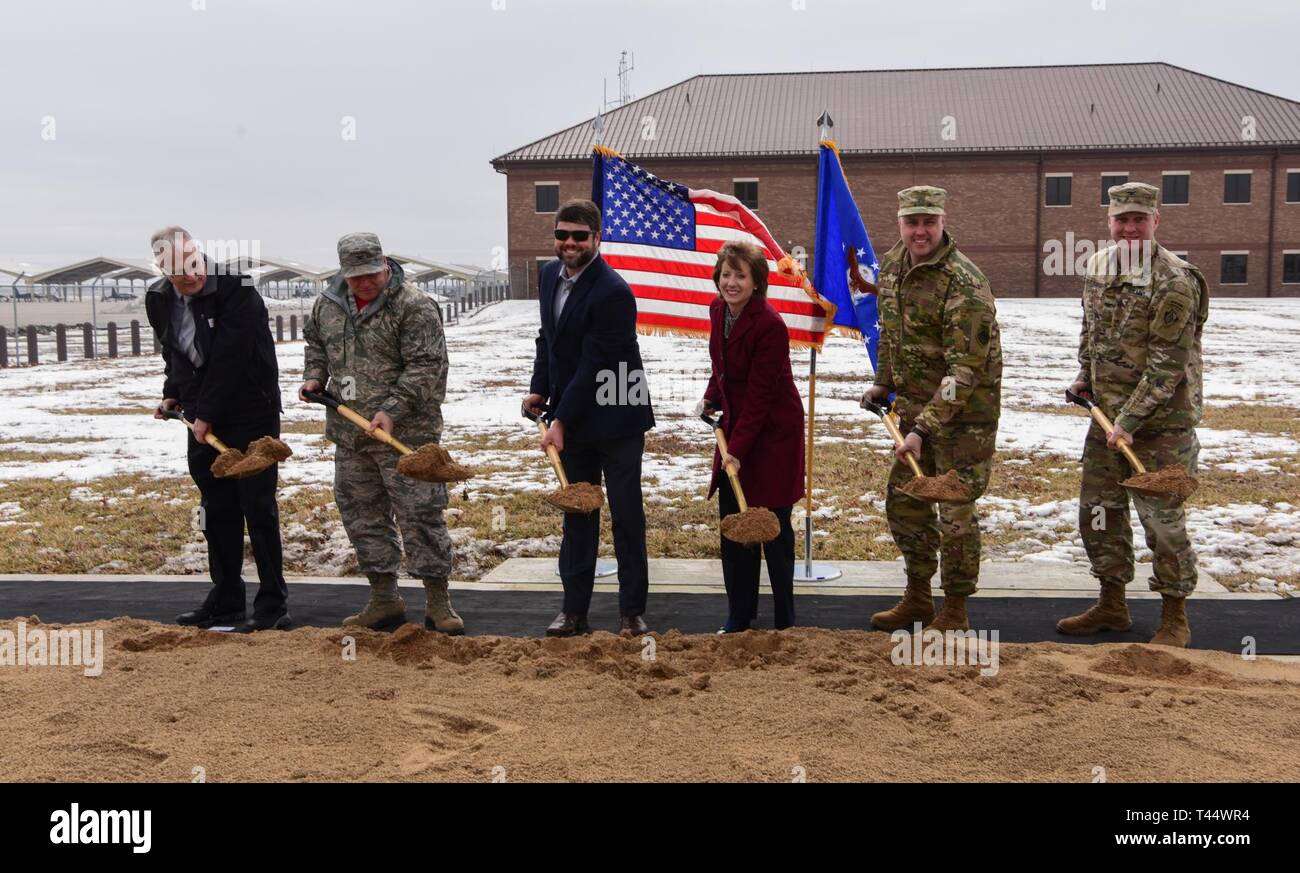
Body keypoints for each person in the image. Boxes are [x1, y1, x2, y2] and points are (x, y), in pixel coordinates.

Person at [1058, 182, 1208, 647]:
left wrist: (1128, 422)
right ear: (1109, 222)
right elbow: (1092, 330)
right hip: (1107, 420)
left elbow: (1167, 369)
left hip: (1161, 426)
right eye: (1121, 219)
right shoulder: (1100, 266)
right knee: (1099, 512)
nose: (1129, 228)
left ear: (1155, 222)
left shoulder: (1175, 281)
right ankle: (1112, 603)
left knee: (1162, 521)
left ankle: (1174, 614)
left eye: (1138, 220)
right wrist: (1085, 376)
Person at [300, 232, 462, 634]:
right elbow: (315, 345)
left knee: (420, 514)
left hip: (406, 437)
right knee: (362, 515)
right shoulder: (327, 305)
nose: (366, 283)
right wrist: (314, 378)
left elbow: (428, 367)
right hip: (351, 434)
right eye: (356, 277)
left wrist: (390, 410)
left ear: (385, 264)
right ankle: (384, 599)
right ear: (344, 274)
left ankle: (438, 602)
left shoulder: (414, 306)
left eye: (372, 274)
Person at [861, 186, 1002, 633]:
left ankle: (956, 608)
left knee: (954, 513)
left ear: (942, 222)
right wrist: (884, 381)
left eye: (929, 222)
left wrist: (921, 428)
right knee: (905, 505)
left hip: (965, 419)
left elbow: (965, 371)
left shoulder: (965, 282)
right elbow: (889, 331)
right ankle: (918, 597)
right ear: (900, 222)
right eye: (912, 222)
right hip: (917, 413)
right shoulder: (893, 265)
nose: (920, 231)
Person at [144, 226, 289, 633]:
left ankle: (272, 603)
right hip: (201, 413)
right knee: (216, 507)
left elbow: (231, 357)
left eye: (193, 264)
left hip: (250, 409)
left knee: (257, 506)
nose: (190, 276)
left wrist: (205, 412)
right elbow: (174, 350)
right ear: (161, 269)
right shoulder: (158, 298)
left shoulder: (236, 288)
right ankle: (225, 597)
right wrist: (173, 393)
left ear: (199, 253)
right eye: (177, 272)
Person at [522, 199, 655, 637]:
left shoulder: (613, 292)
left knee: (625, 514)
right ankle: (573, 611)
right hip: (574, 414)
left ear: (597, 238)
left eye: (580, 235)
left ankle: (631, 611)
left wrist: (559, 418)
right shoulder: (547, 277)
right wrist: (540, 389)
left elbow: (597, 363)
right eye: (563, 234)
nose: (570, 243)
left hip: (616, 414)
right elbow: (550, 340)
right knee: (578, 513)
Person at [698, 241, 803, 632]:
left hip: (773, 435)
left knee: (772, 527)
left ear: (757, 281)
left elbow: (760, 398)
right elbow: (721, 366)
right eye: (726, 274)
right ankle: (739, 613)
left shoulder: (770, 326)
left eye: (740, 275)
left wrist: (737, 452)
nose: (731, 282)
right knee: (735, 523)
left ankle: (784, 619)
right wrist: (711, 397)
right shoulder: (717, 310)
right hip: (736, 429)